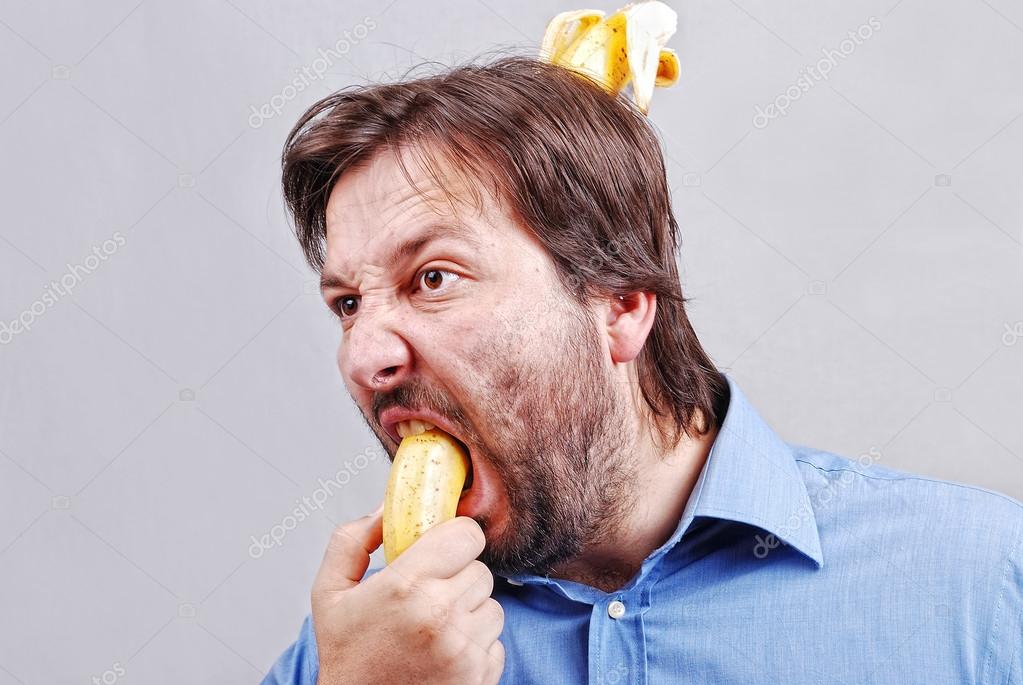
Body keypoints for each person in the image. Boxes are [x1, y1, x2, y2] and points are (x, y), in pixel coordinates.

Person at [262, 56, 1023, 684]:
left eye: (433, 277)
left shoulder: (979, 586)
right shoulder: (371, 645)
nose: (366, 356)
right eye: (349, 302)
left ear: (619, 302)